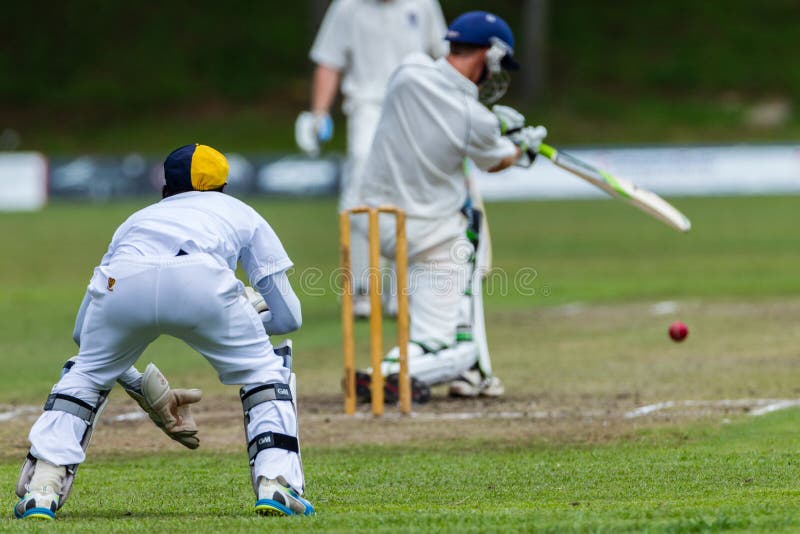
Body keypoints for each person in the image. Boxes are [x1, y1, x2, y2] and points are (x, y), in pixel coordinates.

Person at [13, 144, 314, 520]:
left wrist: (138, 384)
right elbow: (289, 319)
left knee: (85, 374)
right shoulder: (242, 212)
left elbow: (82, 335)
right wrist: (249, 322)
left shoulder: (136, 221)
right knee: (266, 372)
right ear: (224, 188)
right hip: (204, 283)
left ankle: (42, 489)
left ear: (165, 189)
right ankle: (277, 483)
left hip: (125, 281)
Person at [354, 11, 548, 398]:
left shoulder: (408, 72)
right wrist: (521, 146)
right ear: (491, 55)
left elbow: (447, 114)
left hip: (375, 223)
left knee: (436, 326)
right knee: (451, 338)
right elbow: (496, 161)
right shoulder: (475, 119)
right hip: (434, 236)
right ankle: (431, 368)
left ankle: (440, 369)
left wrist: (499, 134)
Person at [295, 0, 448, 317]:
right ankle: (362, 287)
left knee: (409, 193)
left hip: (415, 107)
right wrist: (319, 113)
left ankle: (402, 290)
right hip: (367, 107)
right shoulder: (347, 7)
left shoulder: (423, 5)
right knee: (361, 190)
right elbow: (329, 62)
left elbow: (445, 59)